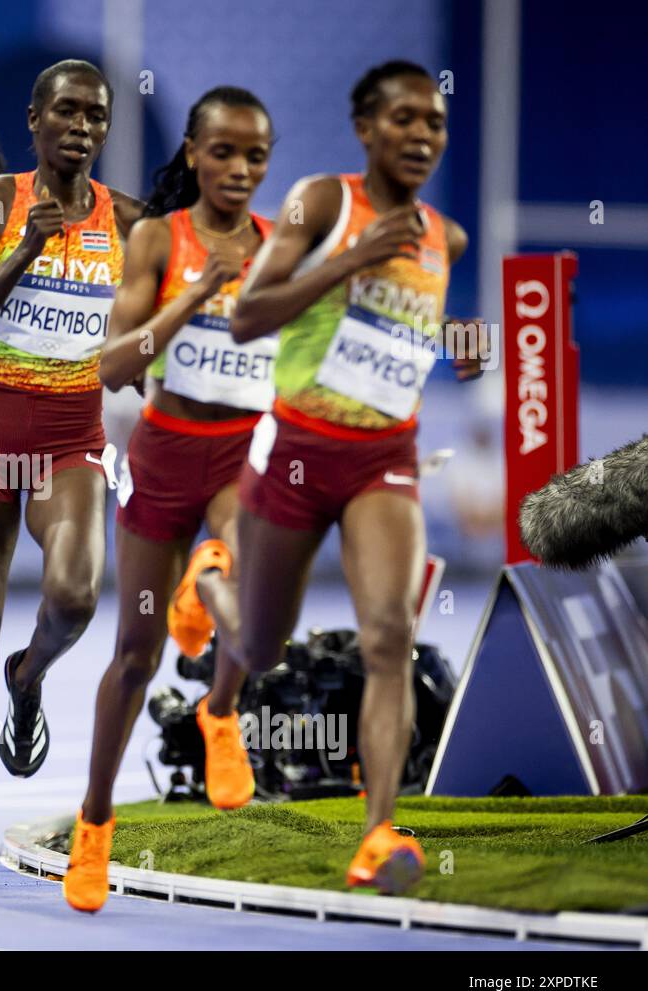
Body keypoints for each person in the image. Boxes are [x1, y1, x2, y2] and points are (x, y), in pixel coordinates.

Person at [223, 60, 481, 894]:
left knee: (388, 640)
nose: (422, 136)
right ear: (366, 128)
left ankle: (377, 835)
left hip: (384, 461)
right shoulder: (322, 203)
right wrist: (352, 258)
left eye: (435, 123)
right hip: (297, 451)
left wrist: (460, 348)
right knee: (262, 645)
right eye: (403, 119)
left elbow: (401, 342)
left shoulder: (448, 238)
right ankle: (211, 593)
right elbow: (246, 316)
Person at [0, 60, 143, 897]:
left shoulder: (130, 221)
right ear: (37, 119)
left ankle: (30, 677)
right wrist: (30, 248)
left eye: (97, 115)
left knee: (76, 600)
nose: (82, 126)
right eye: (67, 111)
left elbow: (143, 346)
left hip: (71, 439)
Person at [63, 87, 277, 913]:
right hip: (162, 451)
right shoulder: (160, 237)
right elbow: (115, 365)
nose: (238, 169)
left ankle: (220, 711)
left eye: (254, 156)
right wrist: (196, 294)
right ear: (192, 153)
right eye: (222, 151)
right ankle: (95, 822)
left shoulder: (280, 247)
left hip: (241, 450)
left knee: (240, 558)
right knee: (134, 655)